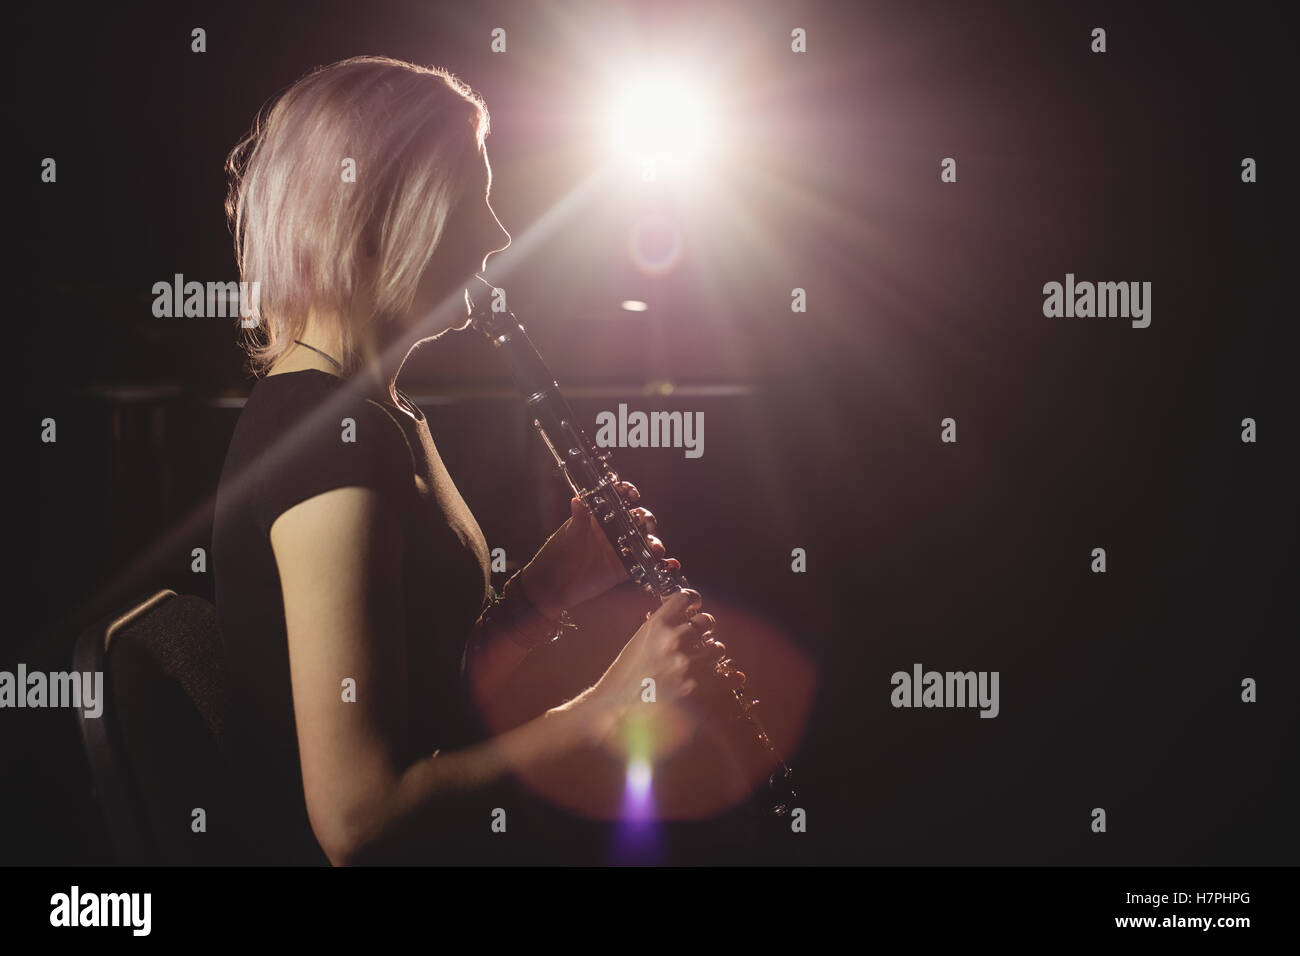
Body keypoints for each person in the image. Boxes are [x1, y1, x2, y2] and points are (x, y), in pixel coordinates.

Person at [211, 55, 723, 864]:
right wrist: (605, 708)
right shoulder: (322, 448)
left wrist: (544, 592)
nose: (497, 232)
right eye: (467, 199)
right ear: (375, 218)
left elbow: (429, 684)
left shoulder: (383, 417)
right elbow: (357, 823)